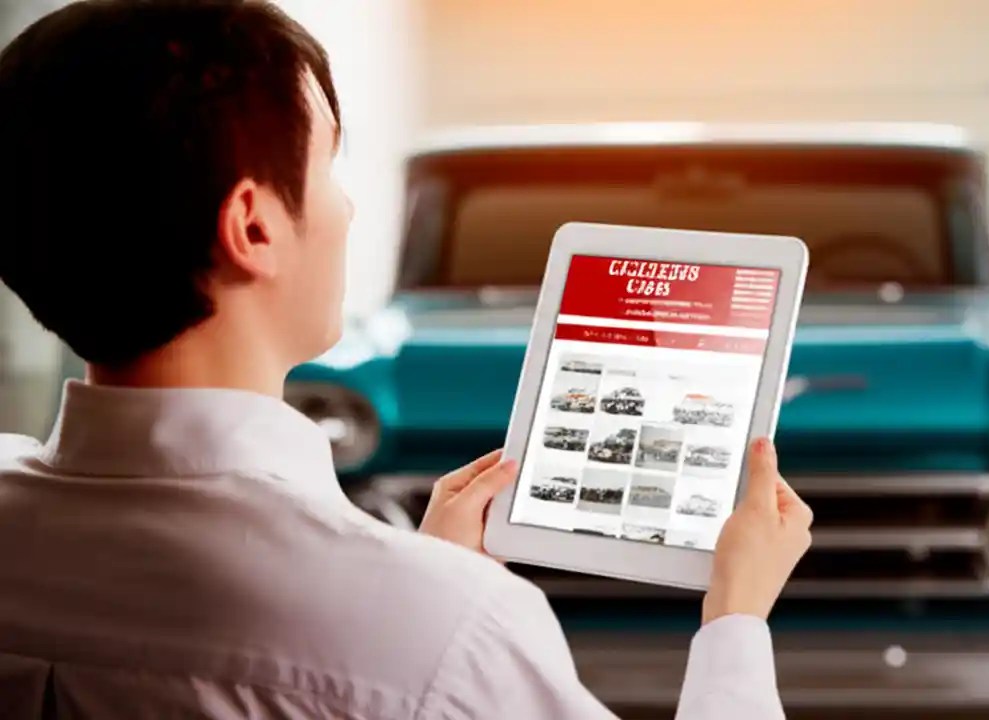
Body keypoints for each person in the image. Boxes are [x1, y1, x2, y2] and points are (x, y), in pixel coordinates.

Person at [0, 2, 814, 718]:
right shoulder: (455, 631)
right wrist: (735, 622)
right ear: (252, 227)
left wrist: (425, 577)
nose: (347, 208)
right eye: (328, 165)